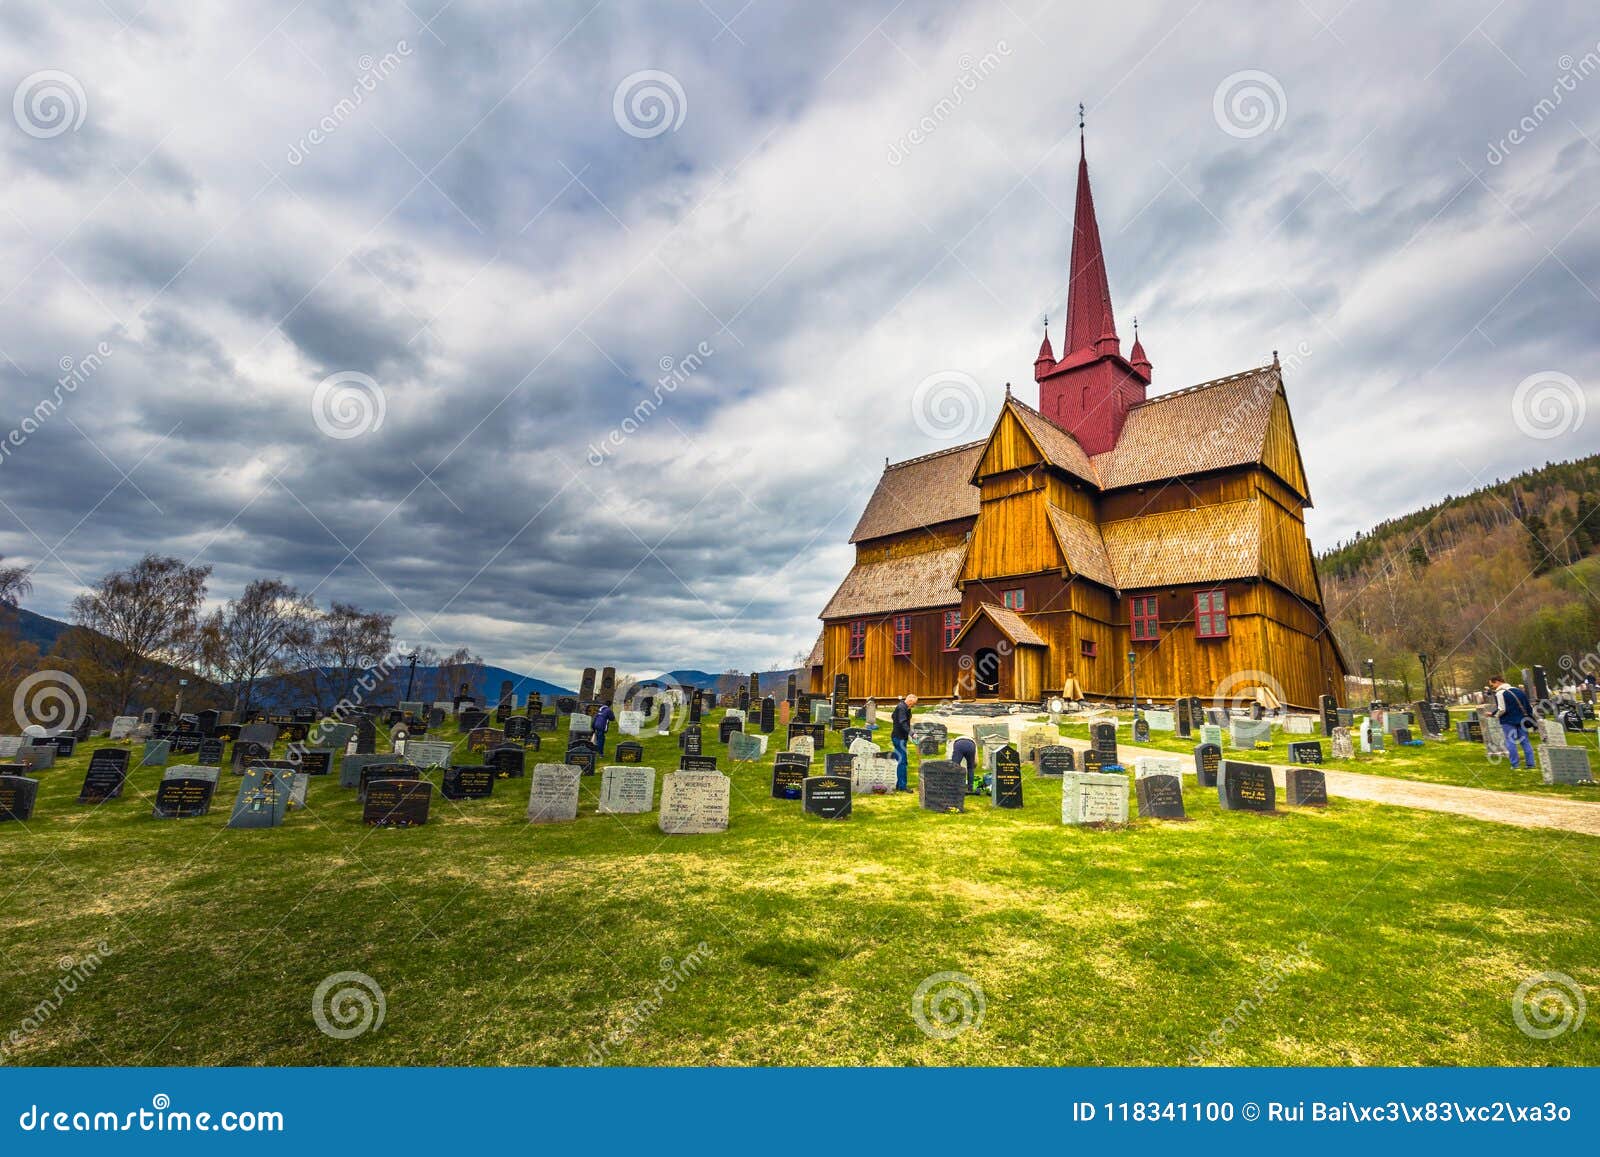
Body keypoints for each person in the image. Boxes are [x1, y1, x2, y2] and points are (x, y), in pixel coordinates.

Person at [1488, 675, 1535, 769]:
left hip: (1508, 721)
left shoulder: (1500, 693)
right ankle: (1530, 764)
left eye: (1492, 685)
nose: (1492, 687)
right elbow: (1528, 707)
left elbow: (1502, 709)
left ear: (1497, 682)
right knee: (1525, 741)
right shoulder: (1519, 691)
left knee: (1510, 742)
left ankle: (1515, 765)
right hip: (1522, 720)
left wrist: (1493, 715)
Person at [890, 693, 916, 791]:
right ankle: (902, 786)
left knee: (900, 761)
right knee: (903, 762)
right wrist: (911, 733)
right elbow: (902, 722)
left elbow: (893, 716)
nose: (913, 706)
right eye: (913, 704)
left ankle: (898, 784)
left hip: (899, 737)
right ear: (909, 701)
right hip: (899, 738)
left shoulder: (904, 707)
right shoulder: (901, 708)